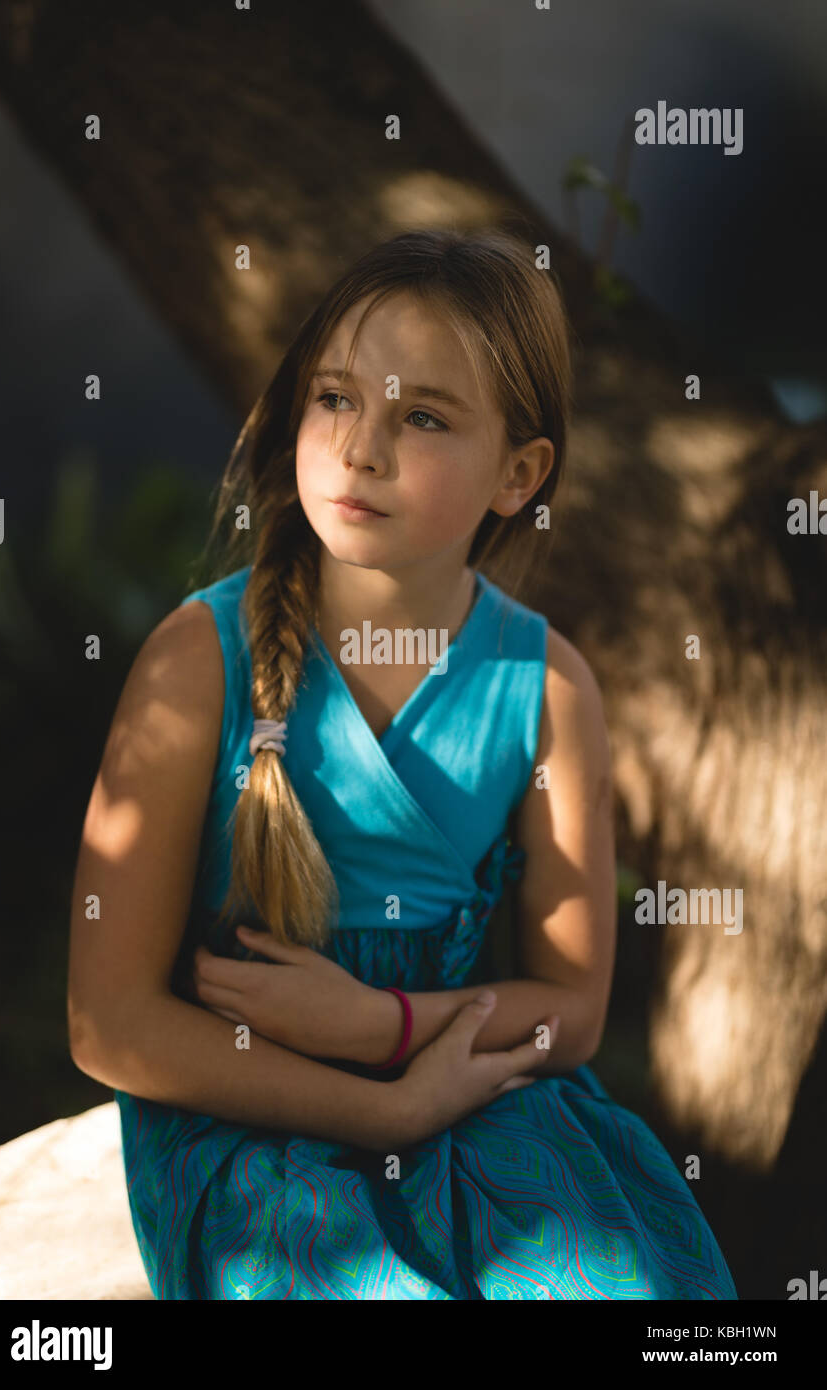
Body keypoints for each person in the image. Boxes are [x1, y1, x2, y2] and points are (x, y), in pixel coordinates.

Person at [68, 228, 738, 1300]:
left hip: (474, 1093)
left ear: (518, 474)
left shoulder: (543, 686)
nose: (360, 448)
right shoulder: (199, 659)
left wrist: (385, 1030)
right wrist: (383, 1105)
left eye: (420, 416)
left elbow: (568, 1007)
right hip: (251, 1117)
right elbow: (108, 1022)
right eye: (335, 397)